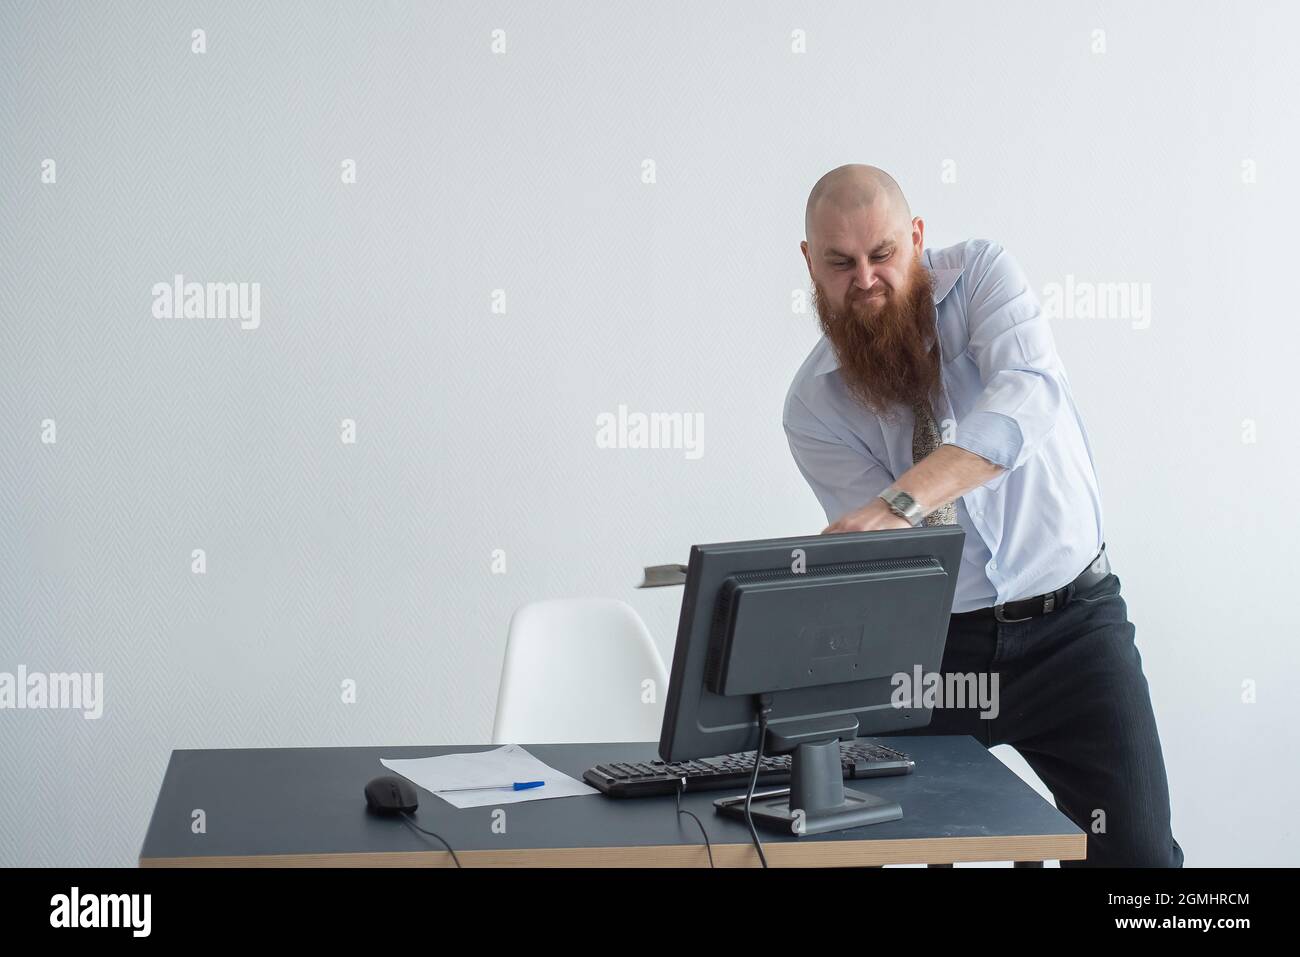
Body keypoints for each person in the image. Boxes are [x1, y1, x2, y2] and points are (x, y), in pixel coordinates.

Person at [784, 163, 1183, 867]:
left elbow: (1025, 401)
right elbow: (899, 565)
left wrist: (896, 502)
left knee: (1140, 861)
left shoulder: (985, 277)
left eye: (883, 255)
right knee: (843, 845)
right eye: (842, 264)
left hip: (1075, 630)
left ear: (917, 238)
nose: (867, 280)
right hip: (940, 653)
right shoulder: (813, 407)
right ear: (811, 264)